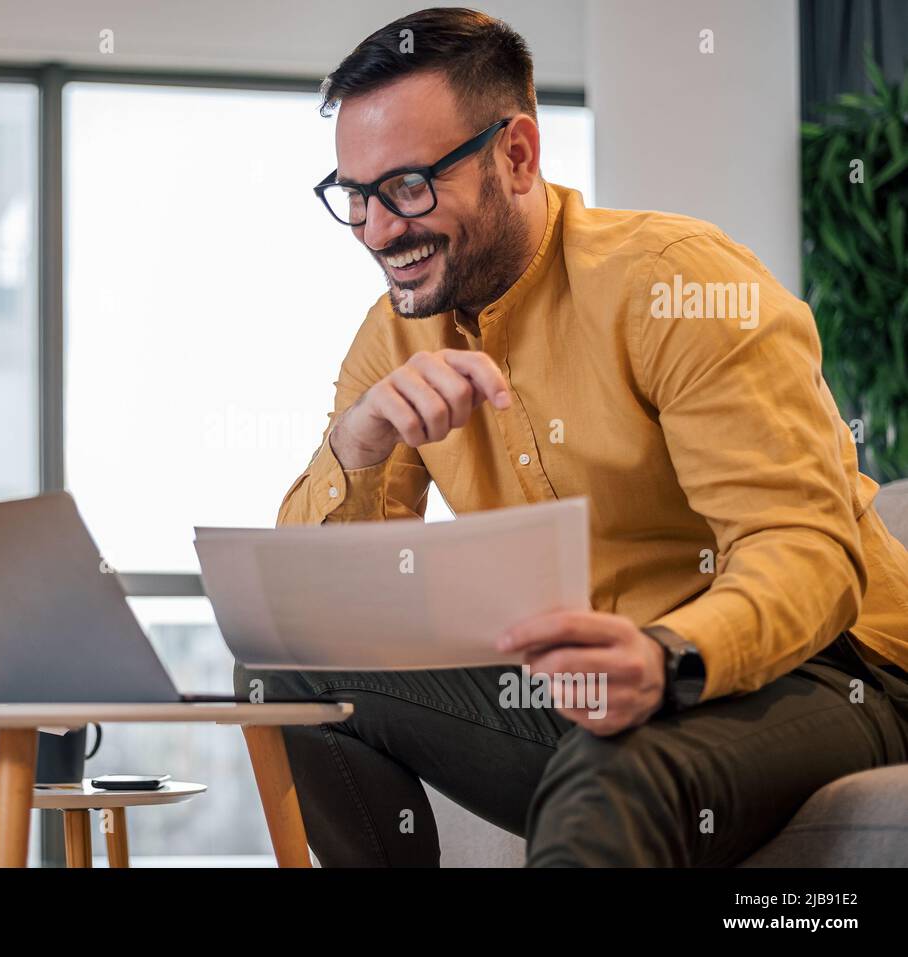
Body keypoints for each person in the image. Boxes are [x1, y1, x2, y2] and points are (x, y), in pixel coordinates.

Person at [235, 6, 908, 866]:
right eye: (355, 197)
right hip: (585, 691)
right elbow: (311, 613)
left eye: (407, 187)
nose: (377, 230)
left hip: (821, 673)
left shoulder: (674, 285)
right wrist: (355, 446)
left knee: (612, 762)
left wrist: (666, 660)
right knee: (284, 679)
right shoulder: (393, 335)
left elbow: (805, 549)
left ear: (516, 155)